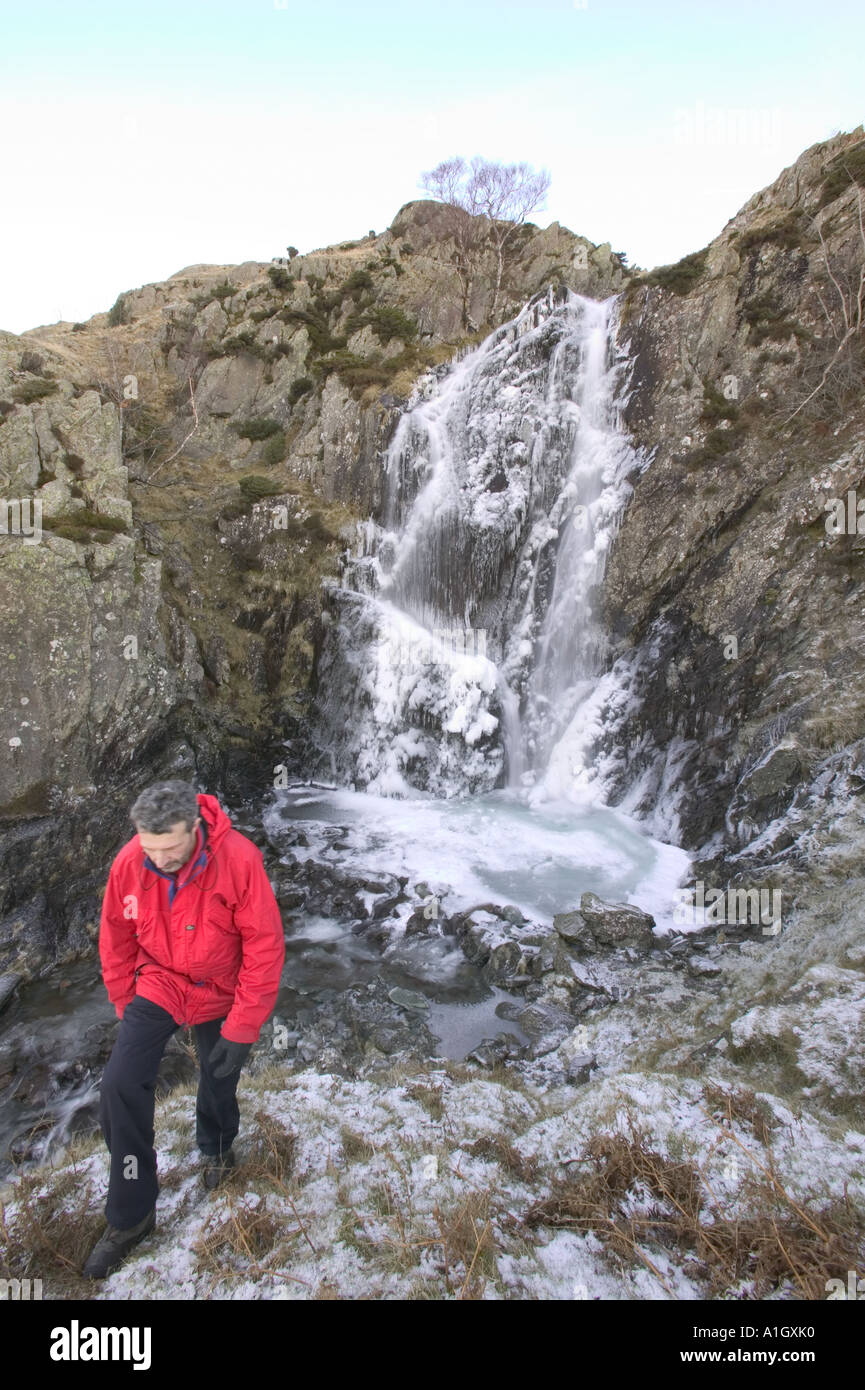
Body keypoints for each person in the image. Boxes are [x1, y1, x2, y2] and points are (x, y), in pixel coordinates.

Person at [83, 780, 285, 1280]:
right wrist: (127, 1005)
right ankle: (132, 1212)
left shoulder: (239, 860)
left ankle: (217, 1148)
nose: (160, 860)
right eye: (151, 849)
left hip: (222, 985)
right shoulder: (131, 862)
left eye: (171, 849)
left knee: (219, 1075)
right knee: (120, 1084)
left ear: (195, 828)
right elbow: (115, 938)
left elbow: (264, 946)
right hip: (160, 982)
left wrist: (242, 1027)